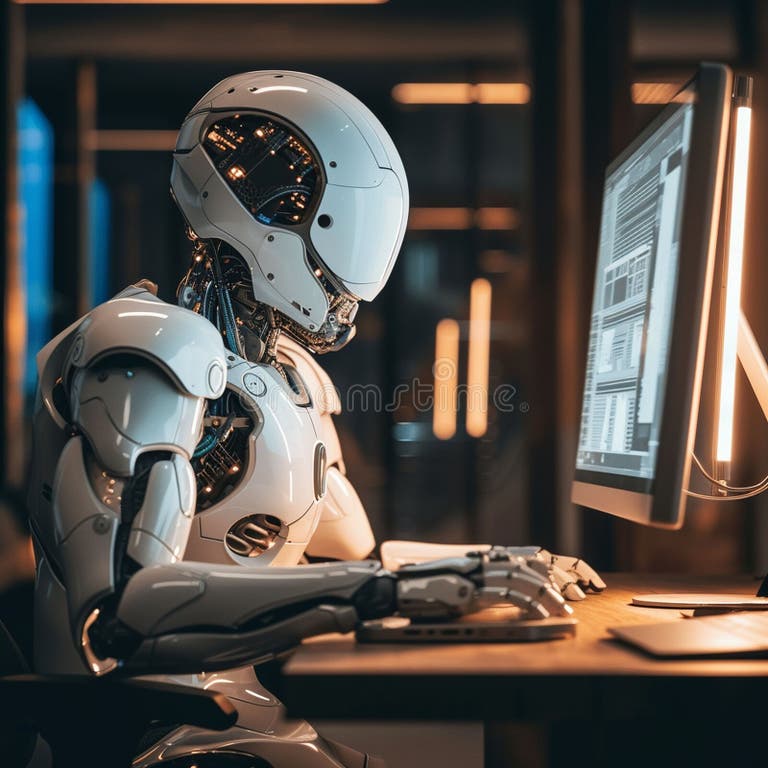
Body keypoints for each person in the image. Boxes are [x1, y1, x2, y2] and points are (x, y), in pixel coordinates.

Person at [28, 71, 601, 767]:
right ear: (270, 214)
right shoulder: (147, 350)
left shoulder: (288, 379)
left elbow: (354, 558)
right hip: (161, 742)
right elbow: (118, 619)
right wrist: (388, 592)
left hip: (252, 725)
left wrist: (493, 566)